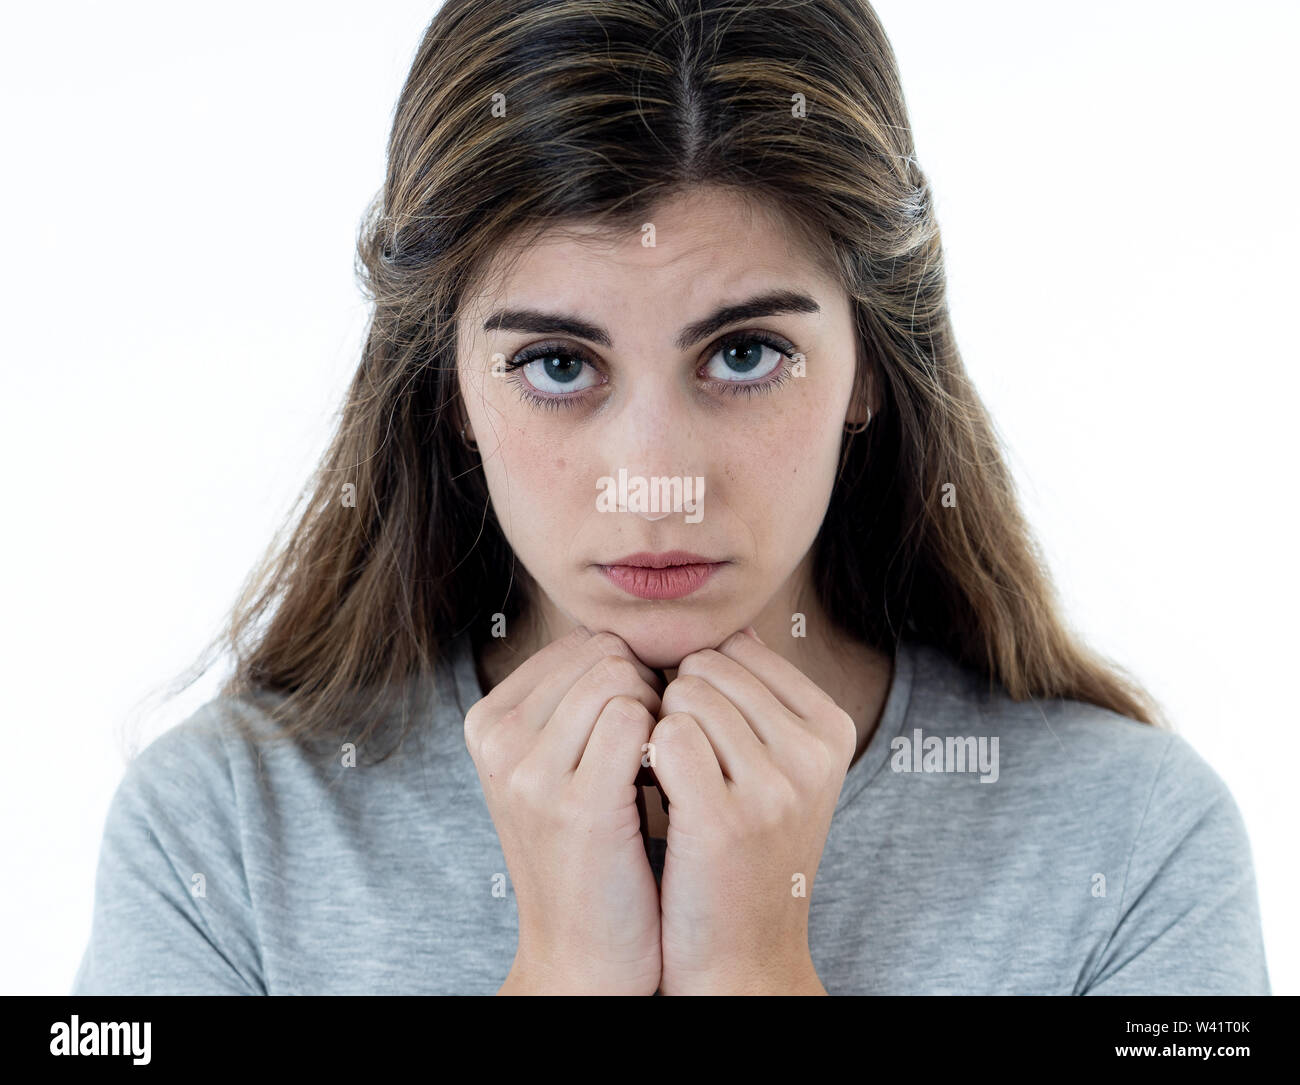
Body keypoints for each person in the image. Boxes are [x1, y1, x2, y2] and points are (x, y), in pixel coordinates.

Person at [72, 0, 1269, 995]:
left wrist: (752, 963)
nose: (656, 478)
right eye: (556, 363)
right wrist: (565, 969)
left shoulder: (1135, 844)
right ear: (448, 388)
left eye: (744, 353)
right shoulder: (220, 836)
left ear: (868, 371)